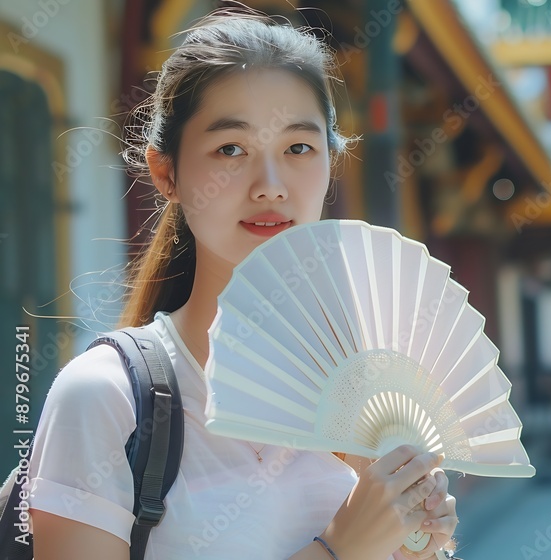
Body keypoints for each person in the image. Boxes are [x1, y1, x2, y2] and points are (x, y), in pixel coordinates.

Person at [25, 11, 457, 560]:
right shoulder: (106, 399)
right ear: (166, 172)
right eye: (231, 148)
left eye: (298, 148)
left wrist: (417, 548)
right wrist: (340, 551)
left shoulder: (369, 399)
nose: (270, 186)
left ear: (331, 163)